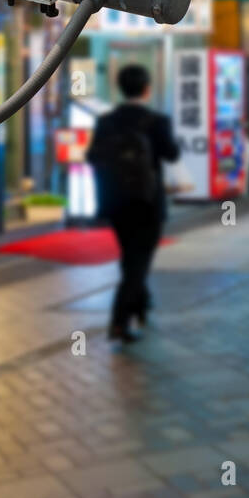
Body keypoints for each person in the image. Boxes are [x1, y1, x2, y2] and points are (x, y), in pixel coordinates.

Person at [87, 64, 180, 343]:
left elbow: (92, 157)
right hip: (149, 203)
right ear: (147, 89)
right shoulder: (156, 121)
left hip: (116, 203)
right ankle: (119, 321)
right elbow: (172, 154)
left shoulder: (106, 121)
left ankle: (140, 303)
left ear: (120, 88)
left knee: (131, 257)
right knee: (138, 262)